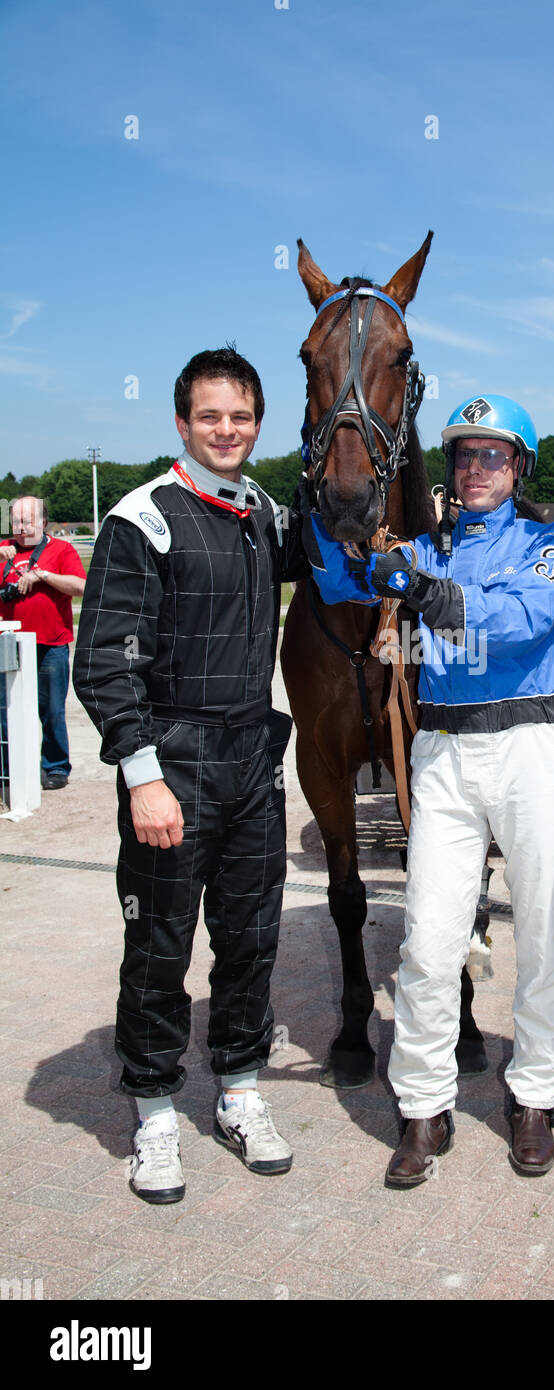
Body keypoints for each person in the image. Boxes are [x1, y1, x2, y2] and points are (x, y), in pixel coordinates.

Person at [305, 394, 554, 1186]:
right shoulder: (426, 545)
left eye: (493, 455)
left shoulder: (548, 541)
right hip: (445, 753)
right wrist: (326, 507)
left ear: (519, 465)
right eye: (464, 456)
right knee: (427, 940)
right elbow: (341, 576)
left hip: (530, 745)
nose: (475, 469)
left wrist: (420, 590)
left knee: (543, 932)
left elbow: (519, 624)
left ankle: (533, 1098)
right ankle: (423, 1107)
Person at [73, 347, 308, 1204]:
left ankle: (240, 1092)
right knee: (160, 944)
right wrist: (143, 775)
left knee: (251, 938)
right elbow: (101, 661)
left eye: (241, 416)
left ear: (257, 423)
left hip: (253, 760)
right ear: (182, 422)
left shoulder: (264, 513)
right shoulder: (144, 518)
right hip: (171, 765)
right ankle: (156, 1110)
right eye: (210, 416)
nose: (226, 430)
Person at [0, 497, 86, 790]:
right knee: (5, 709)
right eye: (16, 522)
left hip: (51, 643)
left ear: (43, 523)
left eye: (27, 522)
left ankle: (56, 767)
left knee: (51, 710)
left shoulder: (61, 549)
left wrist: (43, 576)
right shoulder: (3, 551)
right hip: (7, 643)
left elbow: (81, 586)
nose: (21, 528)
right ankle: (8, 768)